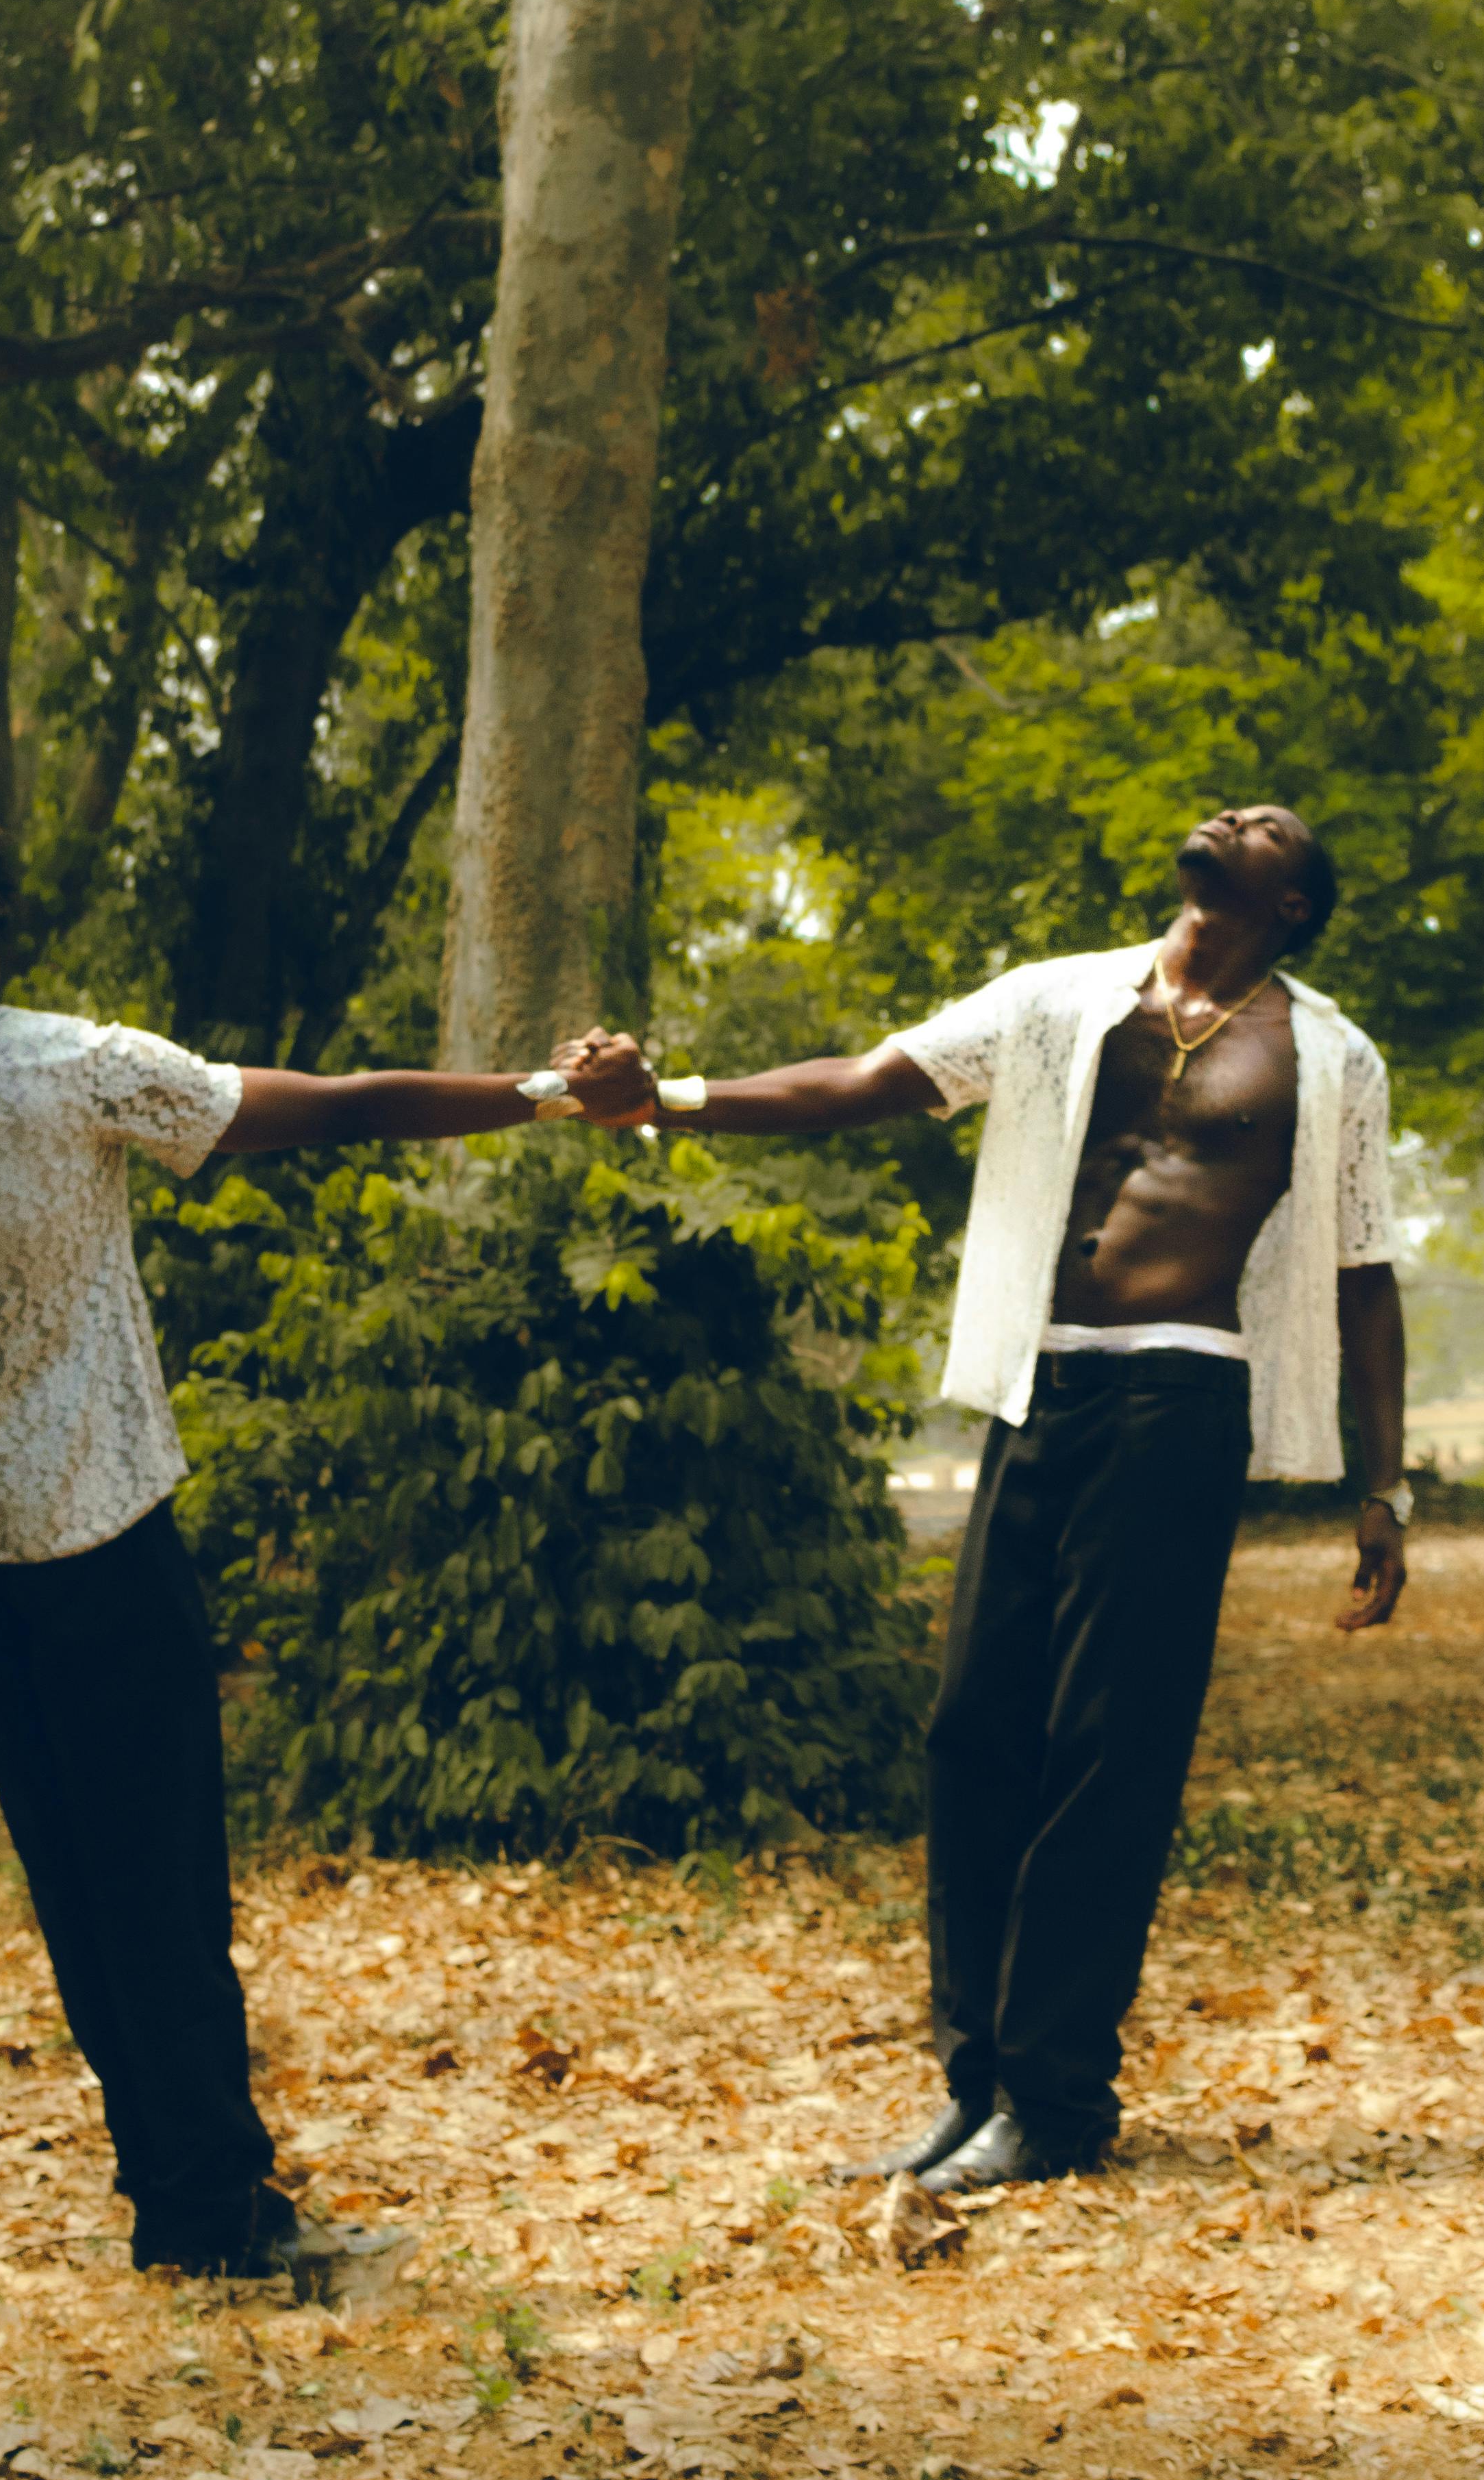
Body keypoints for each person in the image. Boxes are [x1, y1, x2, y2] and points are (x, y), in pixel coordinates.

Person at [0, 774, 648, 2291]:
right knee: (161, 1876)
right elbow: (332, 1108)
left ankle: (182, 2194)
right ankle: (214, 2212)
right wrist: (540, 1096)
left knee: (80, 1880)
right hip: (98, 1533)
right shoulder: (64, 1066)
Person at [563, 803, 1407, 2194]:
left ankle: (1059, 2099)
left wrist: (1387, 1483)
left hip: (1182, 1398)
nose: (1234, 814)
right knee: (973, 1731)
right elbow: (867, 1079)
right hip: (1040, 1390)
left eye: (1270, 827)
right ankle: (975, 2086)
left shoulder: (1329, 1053)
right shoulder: (1056, 998)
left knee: (1105, 1750)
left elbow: (1364, 1267)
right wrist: (668, 1098)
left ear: (1297, 902)